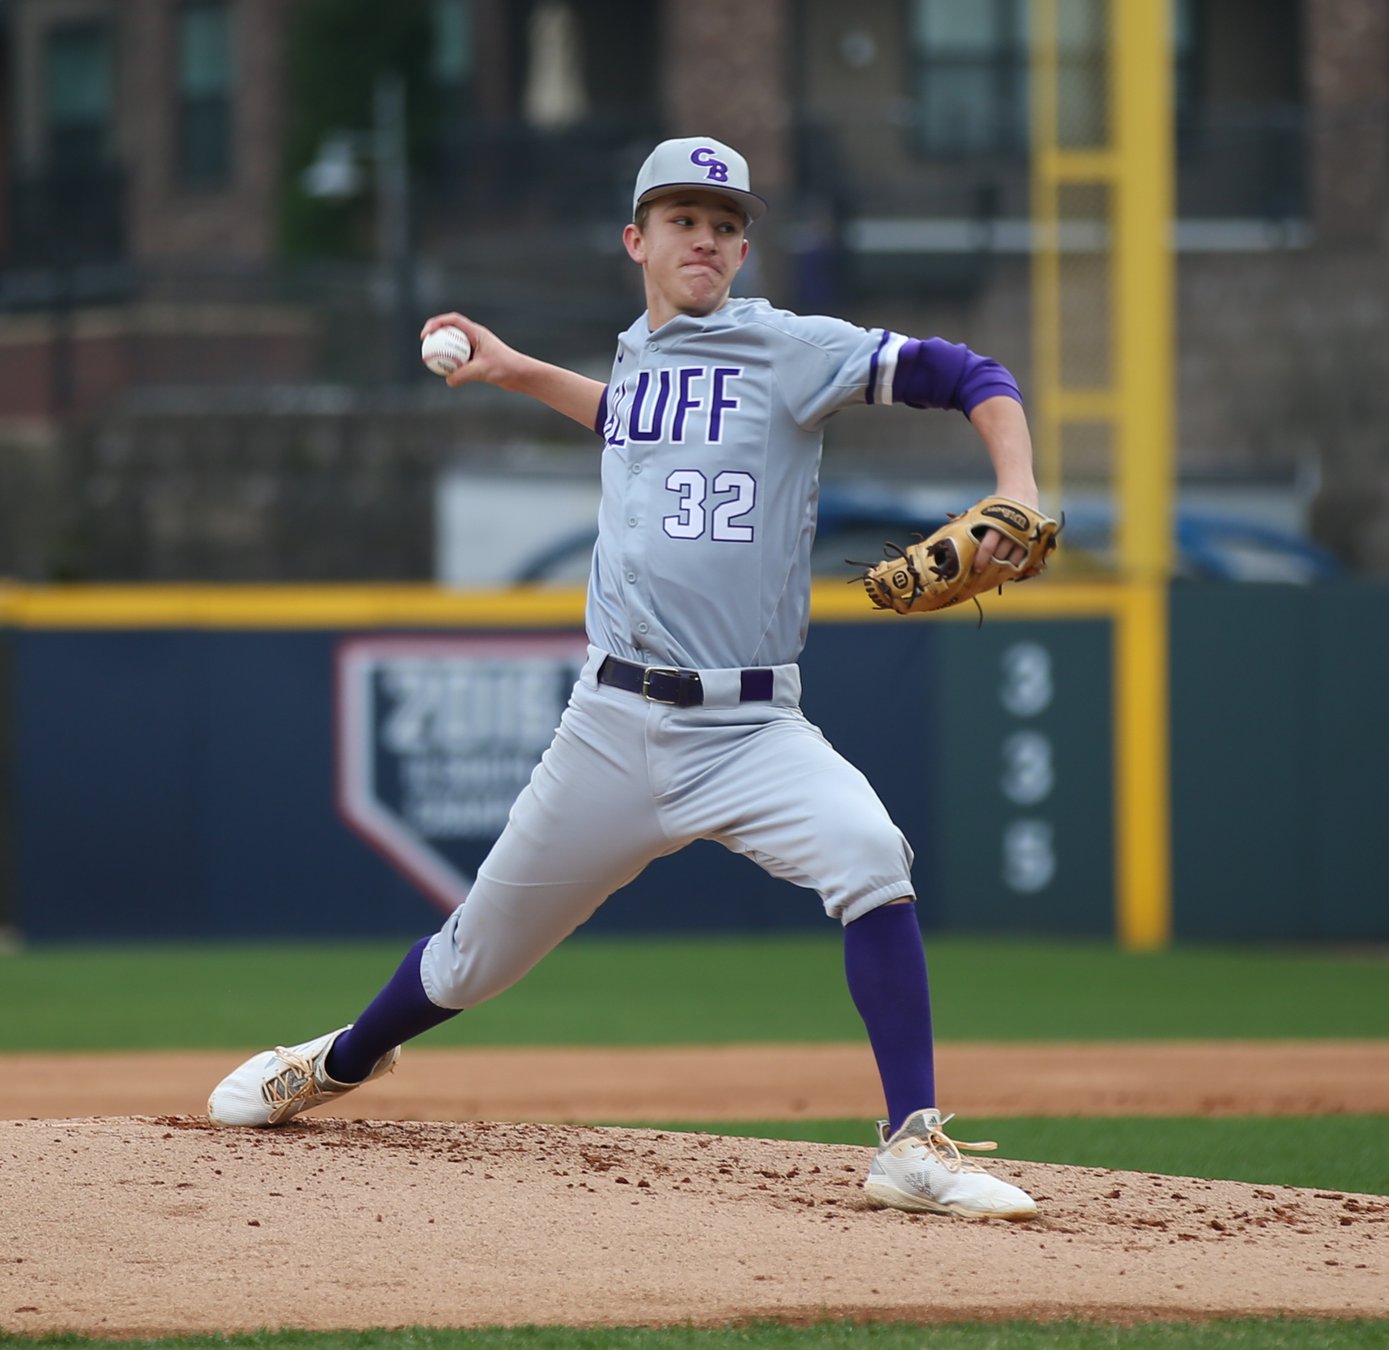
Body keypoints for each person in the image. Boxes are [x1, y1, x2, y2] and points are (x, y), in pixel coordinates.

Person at [208, 137, 1042, 1222]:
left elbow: (972, 374)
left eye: (726, 223)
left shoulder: (788, 348)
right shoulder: (643, 358)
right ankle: (340, 1061)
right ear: (636, 240)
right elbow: (629, 423)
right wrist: (513, 370)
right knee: (470, 961)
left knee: (871, 855)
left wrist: (1017, 485)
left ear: (745, 247)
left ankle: (909, 1143)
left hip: (750, 729)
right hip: (609, 725)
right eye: (683, 219)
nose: (707, 238)